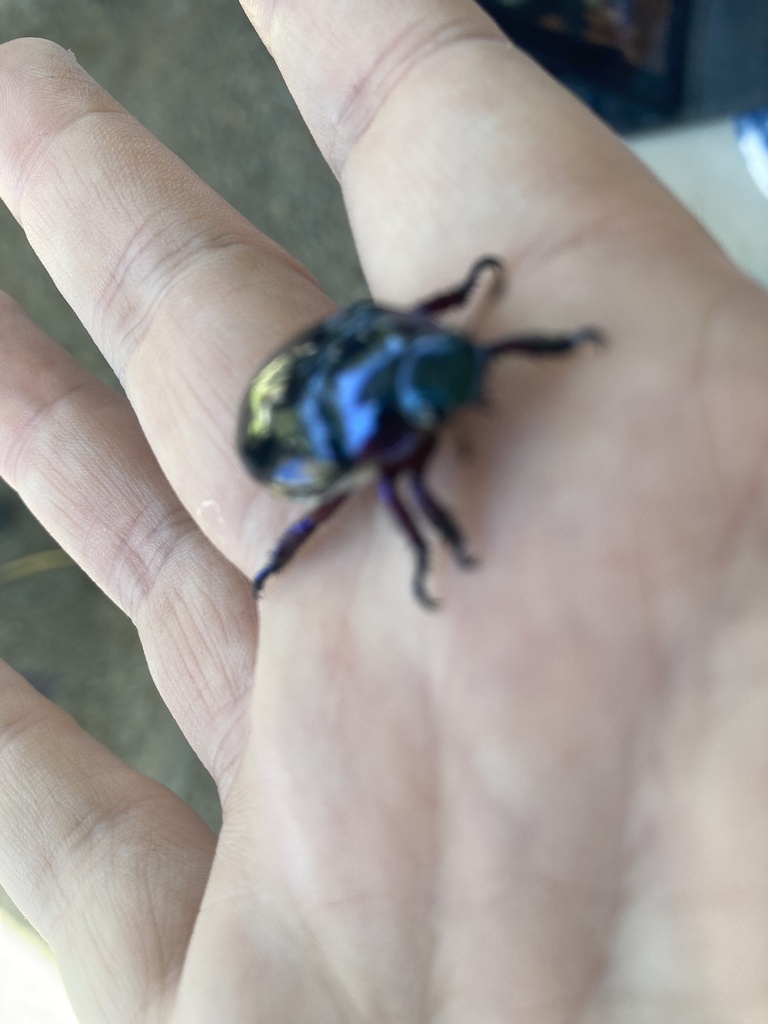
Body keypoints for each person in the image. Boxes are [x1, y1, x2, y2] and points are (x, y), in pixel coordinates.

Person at [1, 3, 768, 1020]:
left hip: (324, 391)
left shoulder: (421, 356)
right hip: (295, 428)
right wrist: (433, 553)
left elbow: (459, 341)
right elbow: (407, 490)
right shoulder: (393, 428)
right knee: (386, 500)